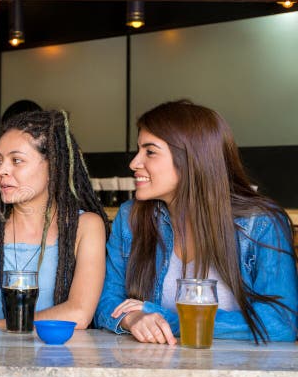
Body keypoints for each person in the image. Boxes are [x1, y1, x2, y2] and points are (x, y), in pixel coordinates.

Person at [95, 100, 298, 344]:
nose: (134, 163)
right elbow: (107, 301)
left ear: (190, 158)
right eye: (138, 150)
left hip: (240, 374)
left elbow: (281, 323)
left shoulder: (261, 222)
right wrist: (133, 319)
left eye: (150, 151)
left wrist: (167, 319)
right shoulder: (131, 217)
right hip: (155, 369)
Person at [0, 110, 108, 328]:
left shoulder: (85, 227)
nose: (2, 170)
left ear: (54, 167)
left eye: (17, 160)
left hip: (59, 359)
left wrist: (0, 325)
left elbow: (79, 313)